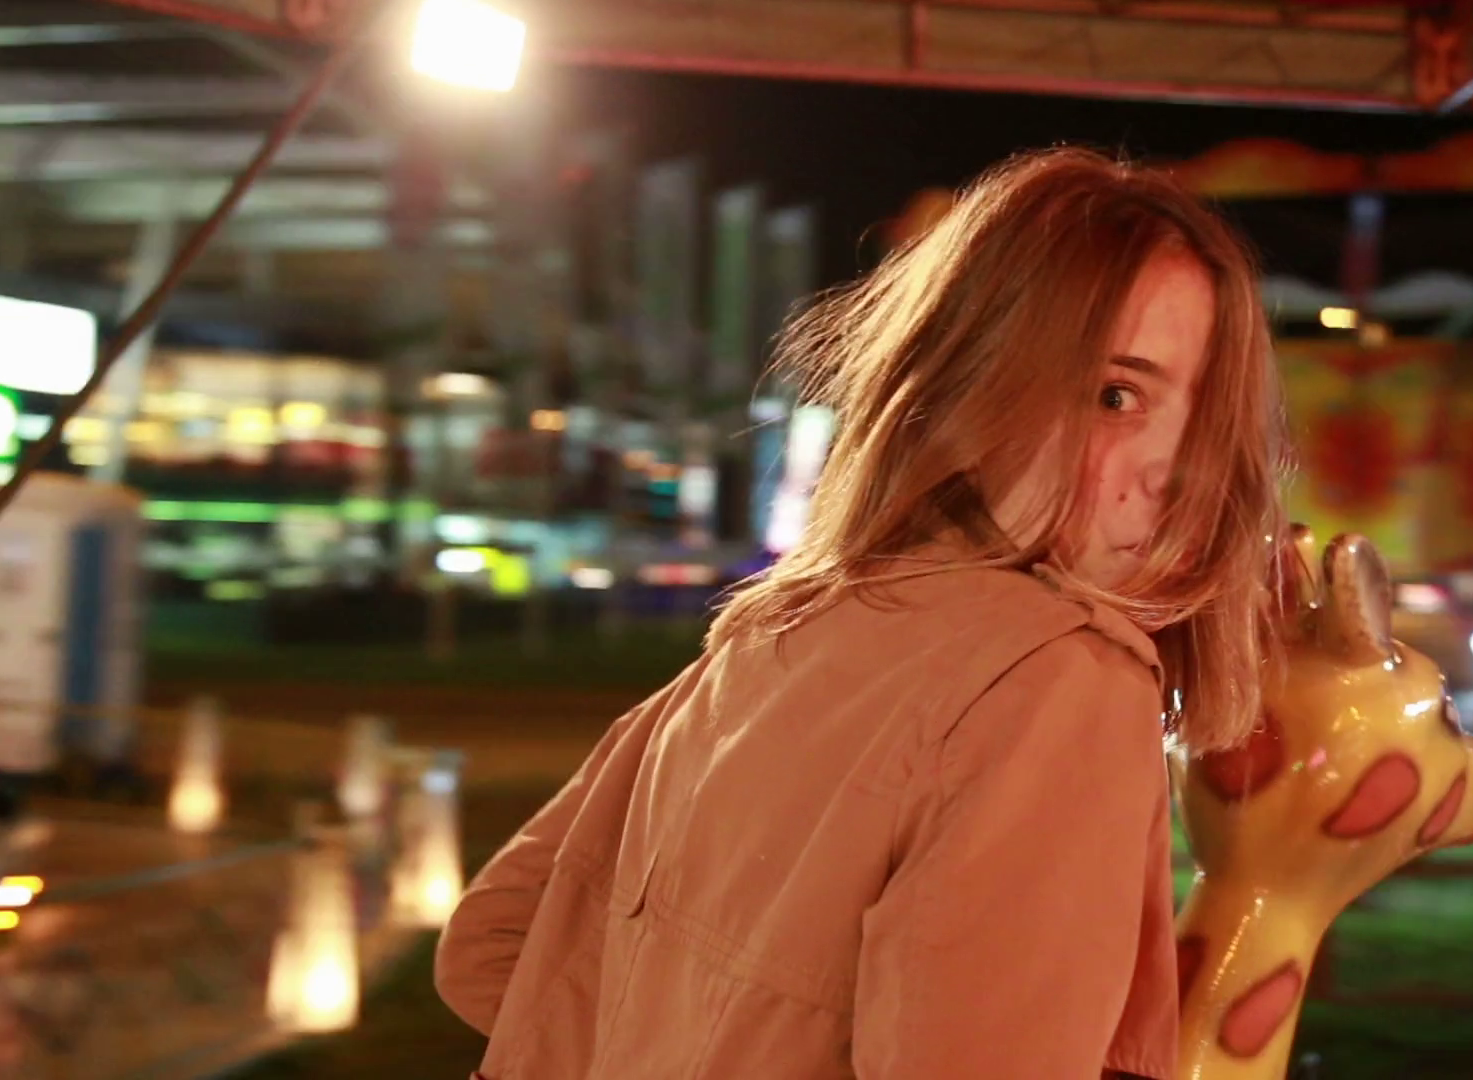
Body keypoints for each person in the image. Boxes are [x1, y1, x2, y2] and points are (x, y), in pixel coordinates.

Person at [435, 147, 1287, 1079]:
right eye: (1114, 396)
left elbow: (491, 952)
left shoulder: (781, 624)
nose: (1170, 468)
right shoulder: (1057, 680)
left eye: (1202, 417)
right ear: (970, 387)